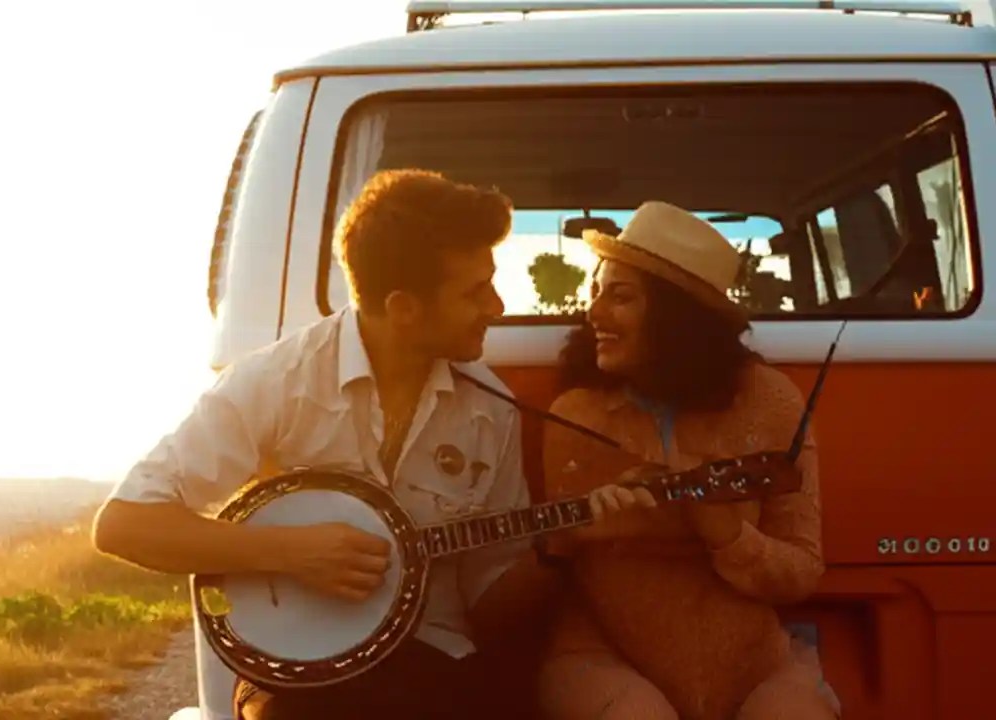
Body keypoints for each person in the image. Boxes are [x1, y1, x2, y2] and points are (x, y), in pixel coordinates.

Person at [92, 169, 554, 719]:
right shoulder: (276, 382)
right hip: (298, 680)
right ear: (404, 307)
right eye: (475, 292)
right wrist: (292, 552)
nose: (496, 307)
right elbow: (123, 523)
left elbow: (491, 595)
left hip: (438, 663)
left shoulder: (490, 408)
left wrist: (563, 549)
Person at [536, 201, 842, 720]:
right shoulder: (574, 413)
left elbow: (801, 571)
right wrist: (573, 534)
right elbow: (539, 565)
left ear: (677, 316)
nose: (594, 312)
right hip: (600, 656)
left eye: (620, 296)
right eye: (596, 290)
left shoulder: (772, 402)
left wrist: (728, 536)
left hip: (757, 663)